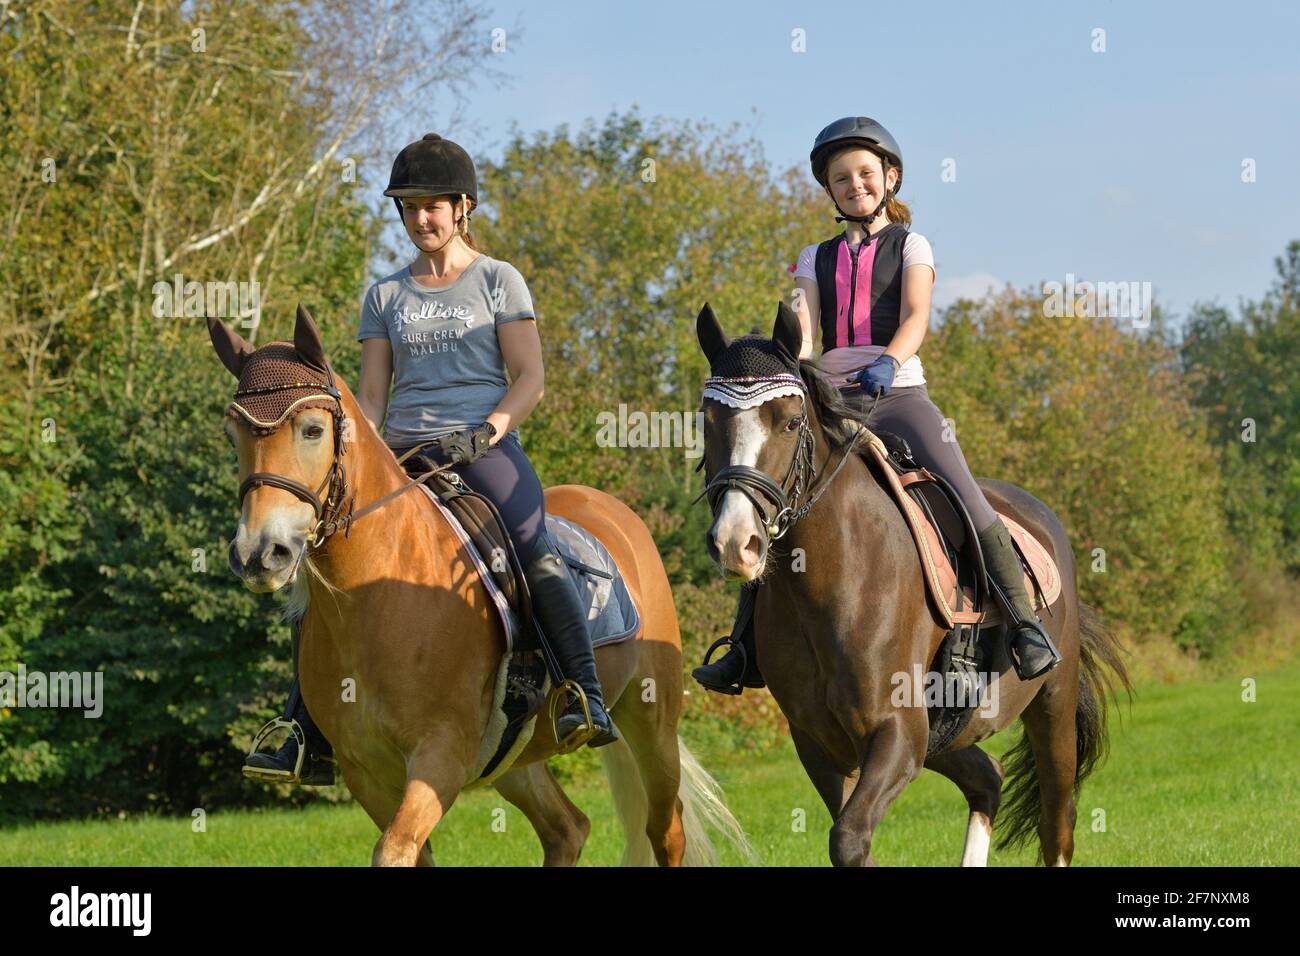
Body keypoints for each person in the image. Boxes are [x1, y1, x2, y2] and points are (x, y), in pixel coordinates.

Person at [245, 133, 617, 786]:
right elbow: (368, 397)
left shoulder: (499, 280)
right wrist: (360, 459)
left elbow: (530, 376)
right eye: (410, 207)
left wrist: (488, 431)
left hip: (483, 449)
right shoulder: (384, 296)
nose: (421, 218)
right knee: (322, 568)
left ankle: (581, 693)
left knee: (535, 548)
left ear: (463, 206)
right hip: (402, 456)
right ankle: (302, 730)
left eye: (433, 205)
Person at [693, 116, 1062, 695]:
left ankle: (1021, 623)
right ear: (830, 191)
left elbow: (916, 314)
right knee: (776, 499)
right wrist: (792, 357)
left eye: (865, 173)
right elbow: (807, 323)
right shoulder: (814, 256)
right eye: (841, 178)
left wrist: (889, 361)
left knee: (960, 489)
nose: (854, 184)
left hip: (897, 395)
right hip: (833, 398)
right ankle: (745, 647)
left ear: (889, 177)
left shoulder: (912, 244)